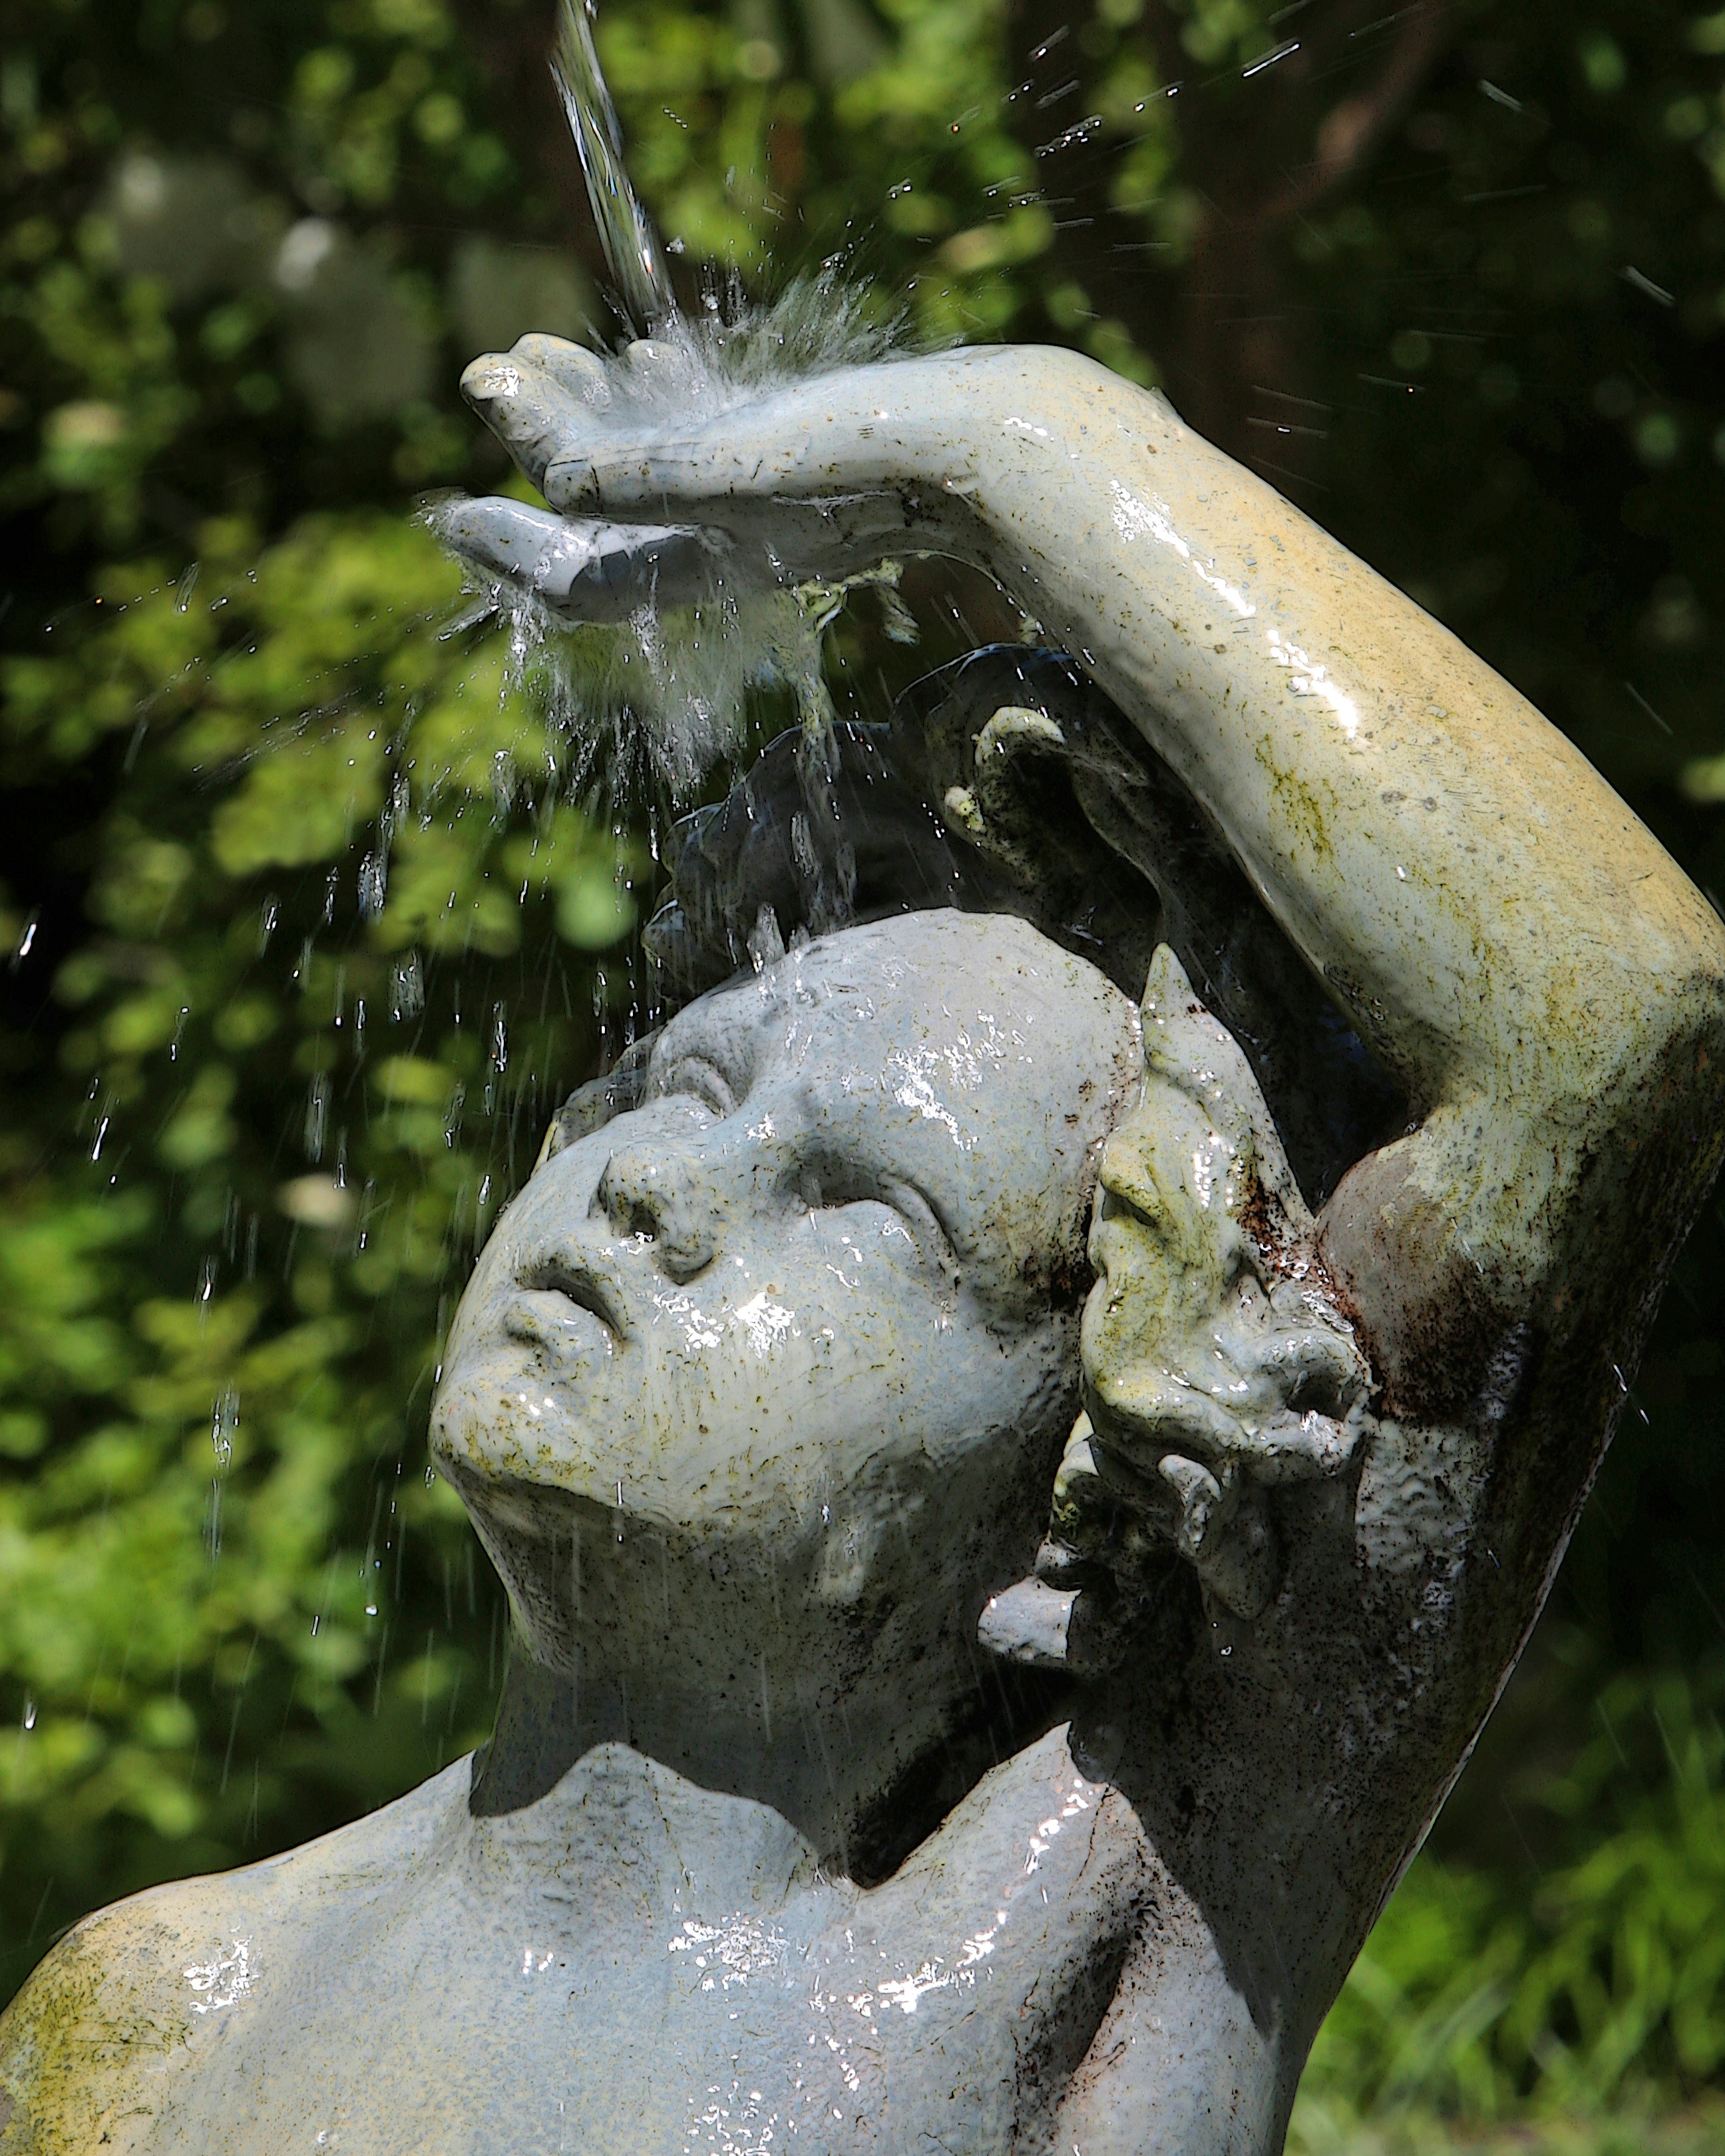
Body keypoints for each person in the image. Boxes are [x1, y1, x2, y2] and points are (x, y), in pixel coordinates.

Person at [3, 334, 1721, 2156]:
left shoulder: (1110, 1895)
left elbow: (1605, 1020)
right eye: (678, 1086)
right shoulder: (169, 2011)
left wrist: (986, 446)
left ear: (1084, 1485)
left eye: (868, 1205)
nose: (659, 1188)